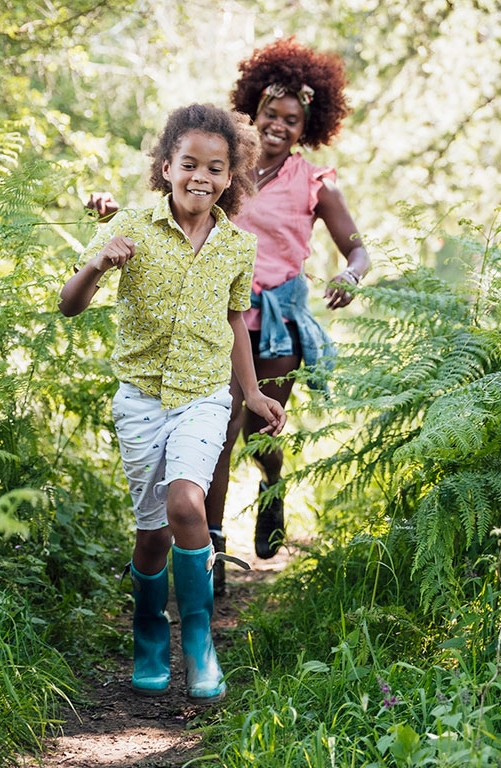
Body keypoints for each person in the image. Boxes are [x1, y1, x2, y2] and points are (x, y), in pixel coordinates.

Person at [89, 39, 370, 596]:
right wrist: (110, 215)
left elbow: (357, 249)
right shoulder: (222, 167)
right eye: (271, 115)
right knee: (217, 435)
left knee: (258, 435)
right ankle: (211, 552)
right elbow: (165, 206)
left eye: (292, 120)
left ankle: (272, 483)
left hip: (279, 320)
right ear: (254, 112)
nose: (279, 127)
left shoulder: (316, 182)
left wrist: (350, 275)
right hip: (218, 320)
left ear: (306, 126)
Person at [61, 103, 286, 702]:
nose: (200, 178)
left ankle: (199, 642)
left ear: (230, 178)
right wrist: (98, 263)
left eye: (216, 169)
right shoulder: (128, 228)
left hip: (206, 397)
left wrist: (254, 392)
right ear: (166, 167)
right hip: (139, 401)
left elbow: (237, 321)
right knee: (153, 534)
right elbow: (70, 303)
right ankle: (148, 635)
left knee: (189, 503)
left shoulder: (238, 245)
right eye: (189, 164)